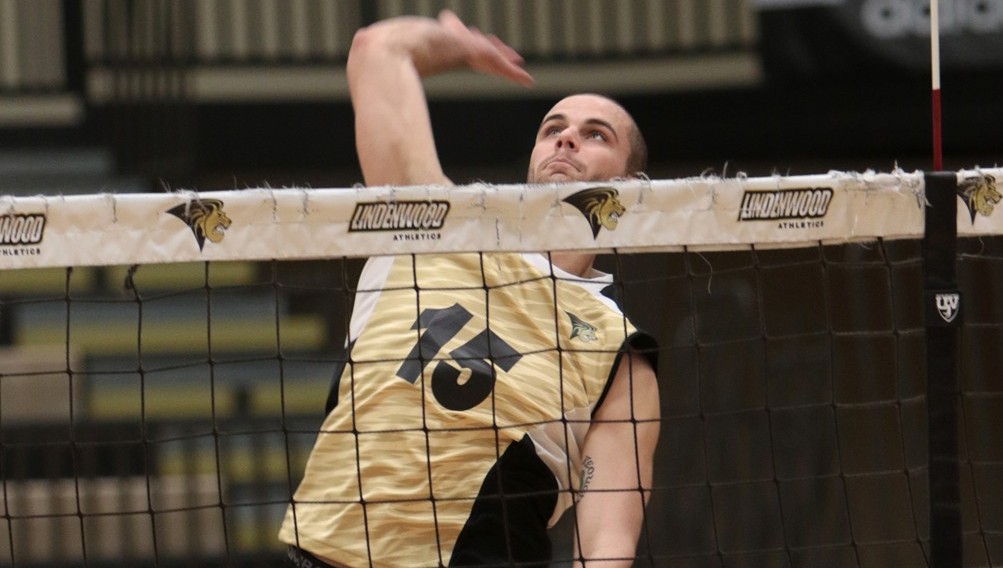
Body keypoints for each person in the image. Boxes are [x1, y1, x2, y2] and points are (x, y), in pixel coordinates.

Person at [279, 10, 659, 568]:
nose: (567, 138)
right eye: (553, 129)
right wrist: (454, 45)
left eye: (594, 134)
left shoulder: (620, 353)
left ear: (630, 187)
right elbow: (377, 50)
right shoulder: (437, 224)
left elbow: (607, 545)